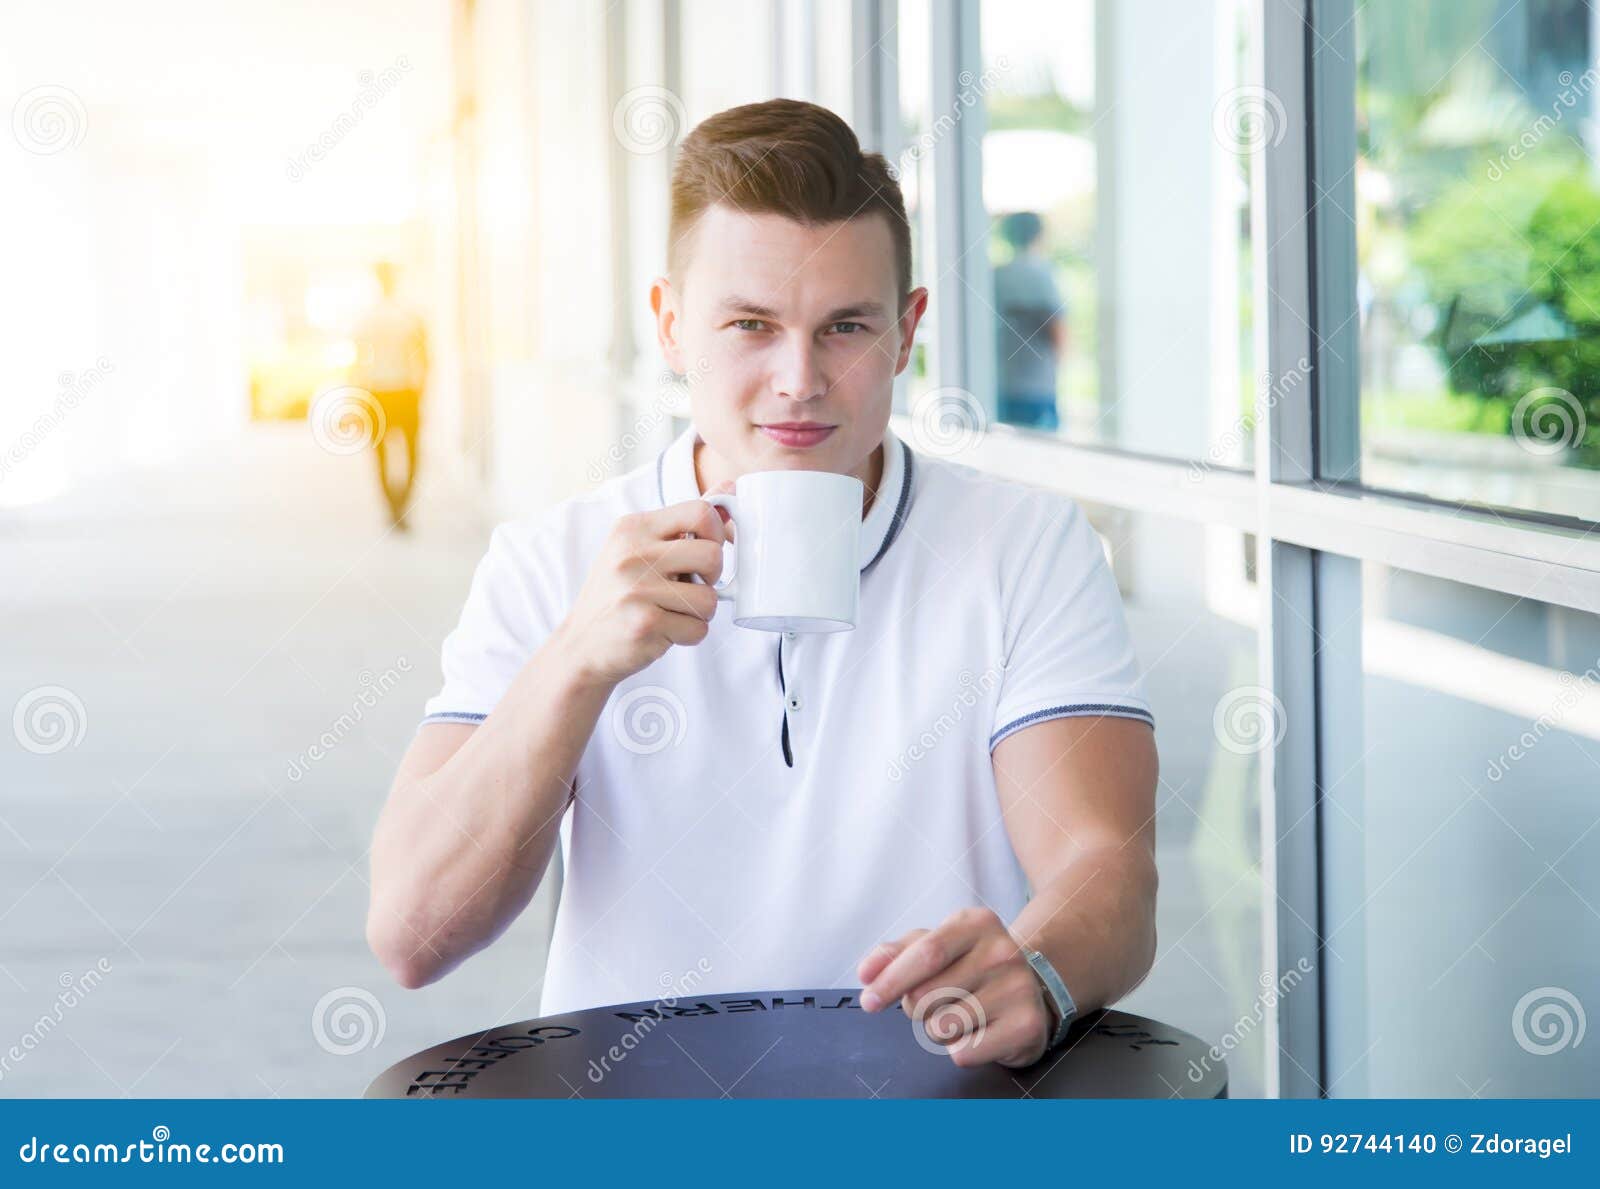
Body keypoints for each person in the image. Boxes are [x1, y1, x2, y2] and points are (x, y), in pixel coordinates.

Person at [366, 100, 1158, 1071]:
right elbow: (413, 933)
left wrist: (1037, 970)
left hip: (931, 1117)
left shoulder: (1026, 547)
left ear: (906, 332)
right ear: (669, 324)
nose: (798, 379)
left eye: (845, 327)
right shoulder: (549, 558)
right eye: (749, 325)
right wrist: (574, 663)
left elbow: (1107, 871)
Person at [351, 260, 429, 531]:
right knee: (412, 453)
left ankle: (392, 506)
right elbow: (423, 359)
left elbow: (359, 364)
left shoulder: (366, 318)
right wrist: (422, 391)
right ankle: (402, 504)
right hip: (405, 391)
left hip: (377, 393)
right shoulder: (409, 316)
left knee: (381, 454)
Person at [992, 210, 1066, 431]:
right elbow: (1057, 331)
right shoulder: (1042, 274)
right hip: (1037, 388)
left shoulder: (996, 275)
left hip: (1002, 383)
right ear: (1039, 235)